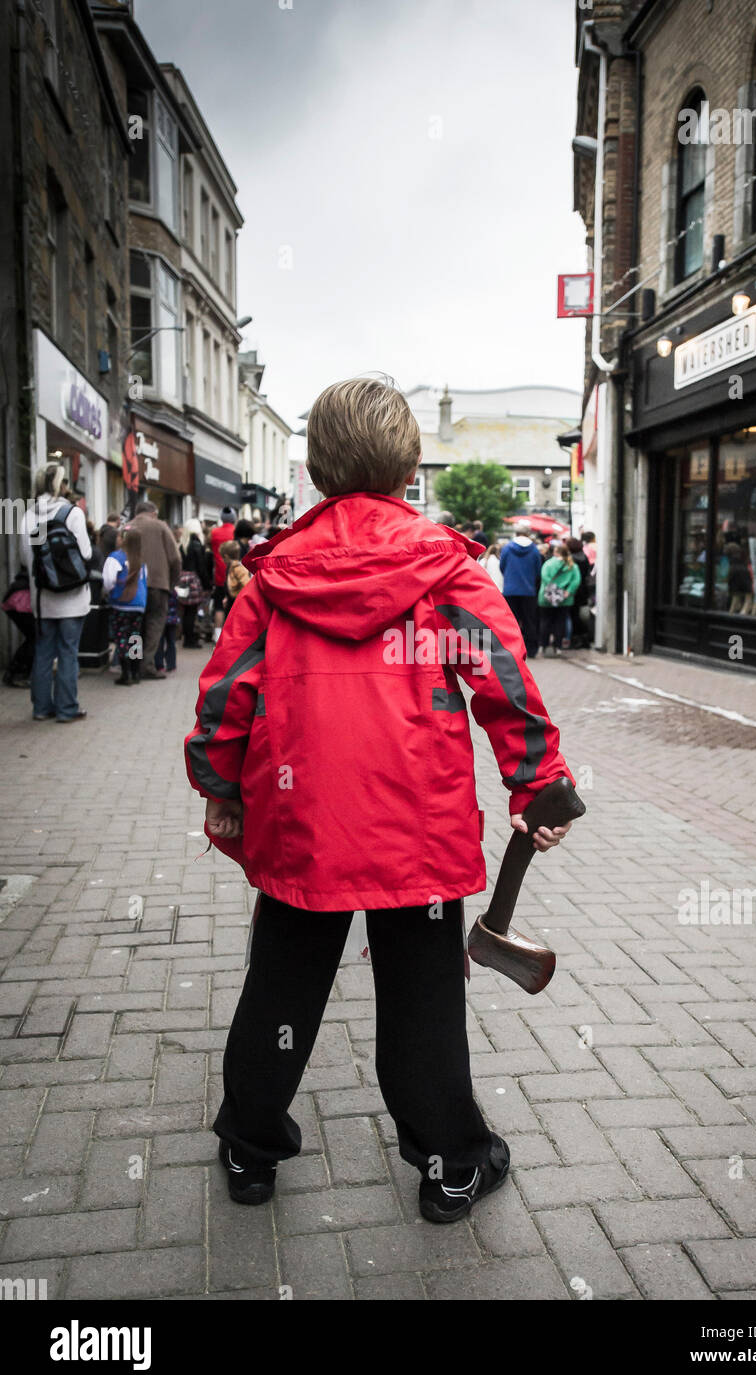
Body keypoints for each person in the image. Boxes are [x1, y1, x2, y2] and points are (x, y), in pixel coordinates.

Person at [184, 376, 576, 1217]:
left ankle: (250, 1152)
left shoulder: (272, 579)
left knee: (281, 989)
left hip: (303, 825)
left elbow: (225, 698)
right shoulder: (444, 570)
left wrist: (219, 786)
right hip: (417, 826)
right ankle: (449, 1164)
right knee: (422, 999)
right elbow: (503, 681)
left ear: (319, 465)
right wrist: (536, 783)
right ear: (406, 464)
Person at [19, 462, 91, 722]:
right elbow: (86, 554)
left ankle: (41, 708)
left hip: (43, 599)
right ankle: (66, 709)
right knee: (68, 652)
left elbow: (26, 558)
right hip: (72, 598)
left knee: (43, 652)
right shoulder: (72, 513)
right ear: (60, 485)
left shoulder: (29, 515)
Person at [128, 500, 182, 680]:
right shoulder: (161, 526)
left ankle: (133, 664)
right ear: (154, 513)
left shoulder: (128, 527)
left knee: (135, 627)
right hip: (158, 584)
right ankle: (147, 665)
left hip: (132, 585)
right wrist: (171, 583)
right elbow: (175, 558)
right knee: (154, 626)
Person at [102, 527, 147, 686]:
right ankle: (136, 673)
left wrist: (109, 593)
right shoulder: (140, 559)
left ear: (122, 539)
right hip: (139, 603)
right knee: (135, 637)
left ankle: (125, 674)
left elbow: (108, 581)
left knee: (121, 636)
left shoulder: (116, 557)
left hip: (122, 602)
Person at [498, 523, 542, 658]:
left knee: (512, 622)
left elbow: (502, 566)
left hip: (510, 590)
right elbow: (537, 570)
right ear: (528, 534)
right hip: (528, 591)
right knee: (530, 621)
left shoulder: (507, 549)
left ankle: (512, 649)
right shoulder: (534, 550)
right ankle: (532, 649)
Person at [537, 543, 581, 656]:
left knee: (545, 621)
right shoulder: (572, 565)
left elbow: (544, 577)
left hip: (547, 597)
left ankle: (544, 645)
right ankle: (558, 647)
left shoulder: (548, 563)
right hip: (564, 599)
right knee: (560, 622)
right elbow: (576, 580)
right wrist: (567, 591)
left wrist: (554, 590)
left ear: (555, 552)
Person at [180, 518, 211, 649]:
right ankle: (190, 640)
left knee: (186, 610)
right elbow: (201, 567)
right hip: (193, 579)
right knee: (192, 611)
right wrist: (207, 584)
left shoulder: (183, 544)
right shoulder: (197, 545)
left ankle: (187, 636)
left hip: (182, 578)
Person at [209, 507, 236, 642]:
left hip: (219, 575)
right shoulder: (236, 532)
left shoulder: (214, 533)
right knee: (234, 607)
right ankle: (232, 636)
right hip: (234, 575)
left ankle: (217, 636)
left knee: (219, 606)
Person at [219, 540, 250, 612]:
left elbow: (246, 584)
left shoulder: (238, 568)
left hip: (238, 602)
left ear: (226, 557)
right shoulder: (230, 567)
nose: (222, 560)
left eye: (222, 557)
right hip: (231, 600)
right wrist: (227, 597)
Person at [155, 588, 180, 674]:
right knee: (171, 642)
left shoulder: (160, 591)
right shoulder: (174, 592)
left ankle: (159, 665)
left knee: (159, 643)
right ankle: (171, 665)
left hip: (161, 620)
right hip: (172, 621)